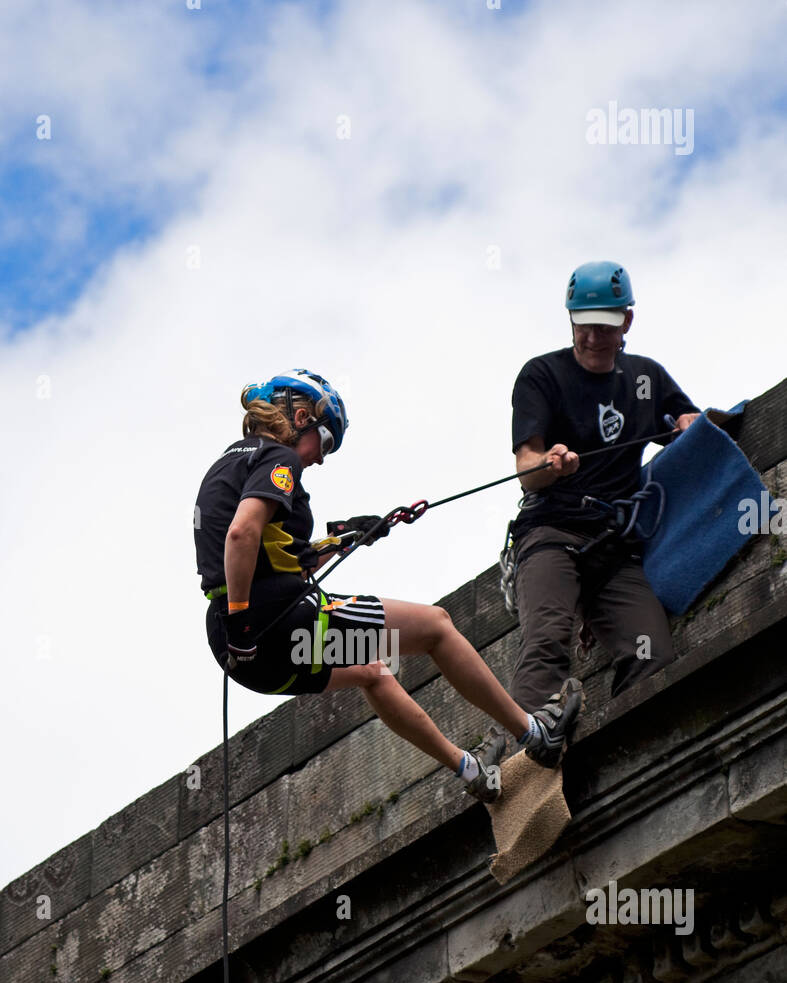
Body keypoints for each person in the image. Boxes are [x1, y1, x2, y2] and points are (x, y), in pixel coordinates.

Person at [194, 368, 584, 803]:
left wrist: (350, 536)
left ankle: (471, 770)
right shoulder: (277, 458)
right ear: (301, 416)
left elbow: (279, 556)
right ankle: (535, 733)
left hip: (242, 655)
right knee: (436, 626)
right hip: (270, 622)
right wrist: (245, 620)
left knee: (373, 672)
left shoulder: (228, 463)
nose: (321, 458)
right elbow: (241, 536)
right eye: (325, 443)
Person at [505, 261, 700, 715]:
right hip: (552, 532)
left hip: (615, 546)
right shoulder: (541, 375)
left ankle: (633, 751)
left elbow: (686, 425)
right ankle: (527, 766)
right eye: (583, 326)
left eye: (605, 327)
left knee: (652, 651)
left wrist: (691, 422)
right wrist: (550, 466)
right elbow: (526, 469)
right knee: (547, 644)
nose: (592, 338)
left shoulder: (646, 379)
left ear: (626, 321)